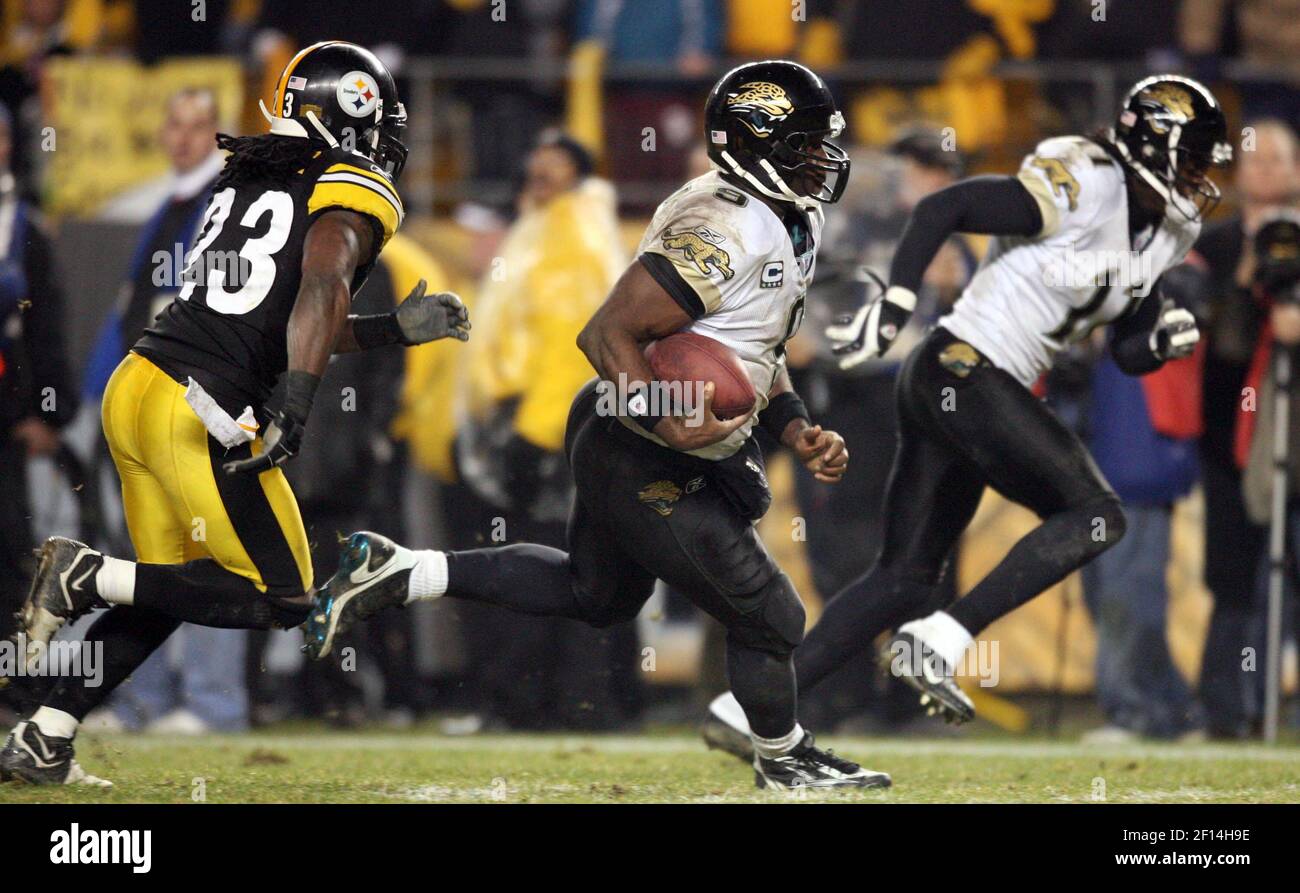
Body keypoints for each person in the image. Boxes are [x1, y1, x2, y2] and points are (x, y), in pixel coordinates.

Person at [307, 61, 888, 791]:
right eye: (804, 143)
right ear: (756, 145)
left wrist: (796, 424)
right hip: (638, 443)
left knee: (599, 594)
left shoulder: (786, 217)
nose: (820, 159)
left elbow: (750, 347)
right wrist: (665, 415)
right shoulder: (726, 226)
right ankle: (784, 757)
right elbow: (607, 332)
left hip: (639, 436)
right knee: (771, 612)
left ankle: (401, 569)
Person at [704, 75, 1231, 754]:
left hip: (955, 380)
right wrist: (894, 305)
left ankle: (749, 707)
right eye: (1191, 159)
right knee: (1097, 514)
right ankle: (940, 639)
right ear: (1154, 146)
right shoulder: (1087, 179)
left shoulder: (1168, 225)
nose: (1199, 178)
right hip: (966, 366)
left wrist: (1155, 342)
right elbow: (944, 208)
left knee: (902, 576)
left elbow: (1124, 342)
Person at [0, 41, 469, 787]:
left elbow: (285, 312)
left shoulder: (251, 173)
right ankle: (85, 578)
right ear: (343, 113)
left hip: (142, 385)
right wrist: (299, 404)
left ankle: (45, 733)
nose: (385, 144)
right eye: (378, 123)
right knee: (285, 597)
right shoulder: (348, 186)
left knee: (172, 584)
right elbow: (319, 286)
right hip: (203, 407)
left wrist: (388, 330)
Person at [452, 131, 640, 730]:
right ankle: (581, 702)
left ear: (577, 178)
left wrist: (533, 434)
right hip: (559, 422)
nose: (540, 177)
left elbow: (569, 342)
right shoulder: (551, 228)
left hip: (552, 429)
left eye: (555, 168)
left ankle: (545, 701)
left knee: (540, 563)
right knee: (581, 561)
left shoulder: (567, 234)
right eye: (535, 165)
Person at [1189, 120, 1299, 738]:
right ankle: (1225, 710)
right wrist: (1252, 269)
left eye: (1277, 159)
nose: (1262, 170)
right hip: (1231, 437)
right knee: (1232, 576)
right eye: (1252, 159)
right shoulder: (1217, 243)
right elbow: (1222, 348)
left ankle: (1283, 711)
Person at [0, 103, 76, 719]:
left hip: (6, 425)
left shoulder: (26, 228)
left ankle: (16, 686)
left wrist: (48, 412)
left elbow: (46, 327)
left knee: (11, 549)